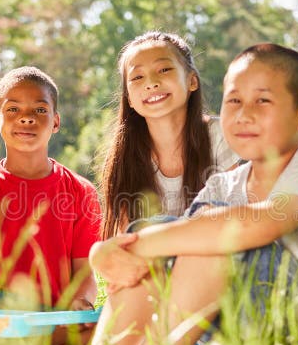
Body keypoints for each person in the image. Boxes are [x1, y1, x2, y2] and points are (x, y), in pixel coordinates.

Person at [84, 44, 298, 345]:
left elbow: (255, 226)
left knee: (214, 233)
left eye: (262, 101)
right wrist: (108, 251)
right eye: (234, 101)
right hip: (254, 330)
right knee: (179, 232)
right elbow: (182, 246)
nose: (244, 114)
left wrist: (142, 242)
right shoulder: (223, 185)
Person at [0, 66, 101, 345]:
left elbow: (85, 274)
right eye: (13, 109)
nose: (26, 117)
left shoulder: (81, 191)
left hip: (56, 320)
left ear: (56, 122)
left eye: (40, 110)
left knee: (113, 329)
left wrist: (82, 304)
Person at [100, 31, 237, 238]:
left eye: (164, 69)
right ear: (129, 98)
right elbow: (128, 238)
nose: (151, 83)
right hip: (155, 260)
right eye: (137, 77)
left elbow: (229, 218)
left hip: (213, 251)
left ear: (192, 81)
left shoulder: (219, 135)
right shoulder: (125, 153)